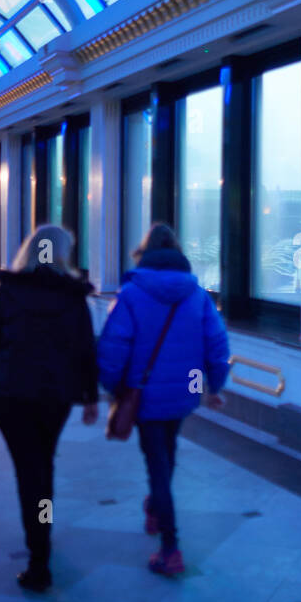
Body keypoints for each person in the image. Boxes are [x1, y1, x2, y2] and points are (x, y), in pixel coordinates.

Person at [96, 222, 230, 577]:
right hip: (185, 391)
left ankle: (170, 547)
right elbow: (217, 346)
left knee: (157, 460)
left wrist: (112, 386)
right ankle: (156, 505)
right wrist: (213, 386)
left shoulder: (130, 295)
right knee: (167, 450)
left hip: (144, 390)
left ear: (145, 253)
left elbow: (112, 347)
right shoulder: (198, 295)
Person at [0, 224, 99, 592]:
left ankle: (38, 557)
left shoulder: (10, 292)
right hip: (55, 395)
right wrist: (90, 397)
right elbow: (86, 350)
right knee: (44, 464)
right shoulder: (74, 297)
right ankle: (42, 538)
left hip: (9, 394)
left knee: (28, 470)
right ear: (63, 254)